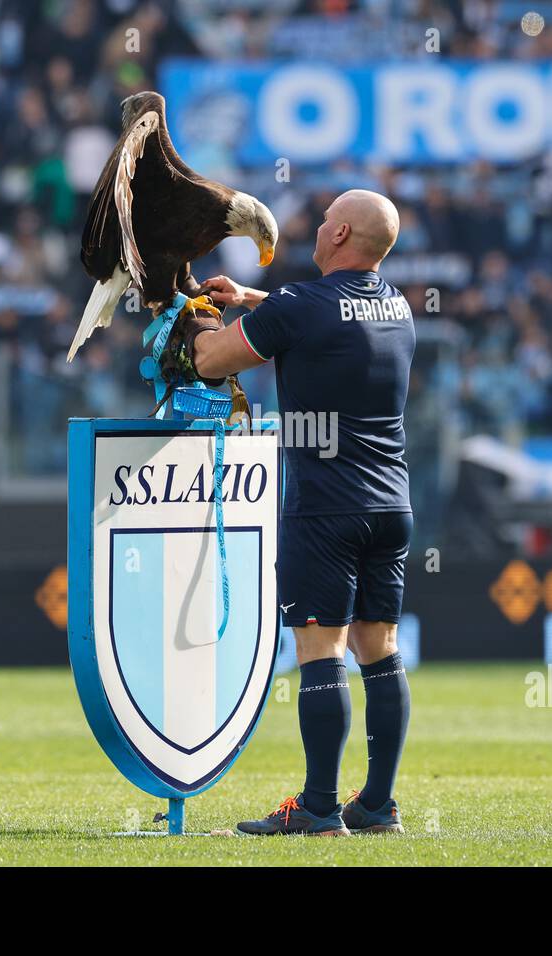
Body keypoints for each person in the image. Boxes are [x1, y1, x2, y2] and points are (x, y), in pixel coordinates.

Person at [189, 189, 416, 836]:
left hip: (325, 508)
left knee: (322, 652)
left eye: (323, 222)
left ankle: (318, 808)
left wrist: (191, 316)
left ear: (341, 235)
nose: (314, 230)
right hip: (391, 504)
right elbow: (324, 318)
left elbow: (210, 359)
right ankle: (376, 804)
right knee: (380, 650)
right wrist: (254, 301)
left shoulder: (302, 305)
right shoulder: (397, 305)